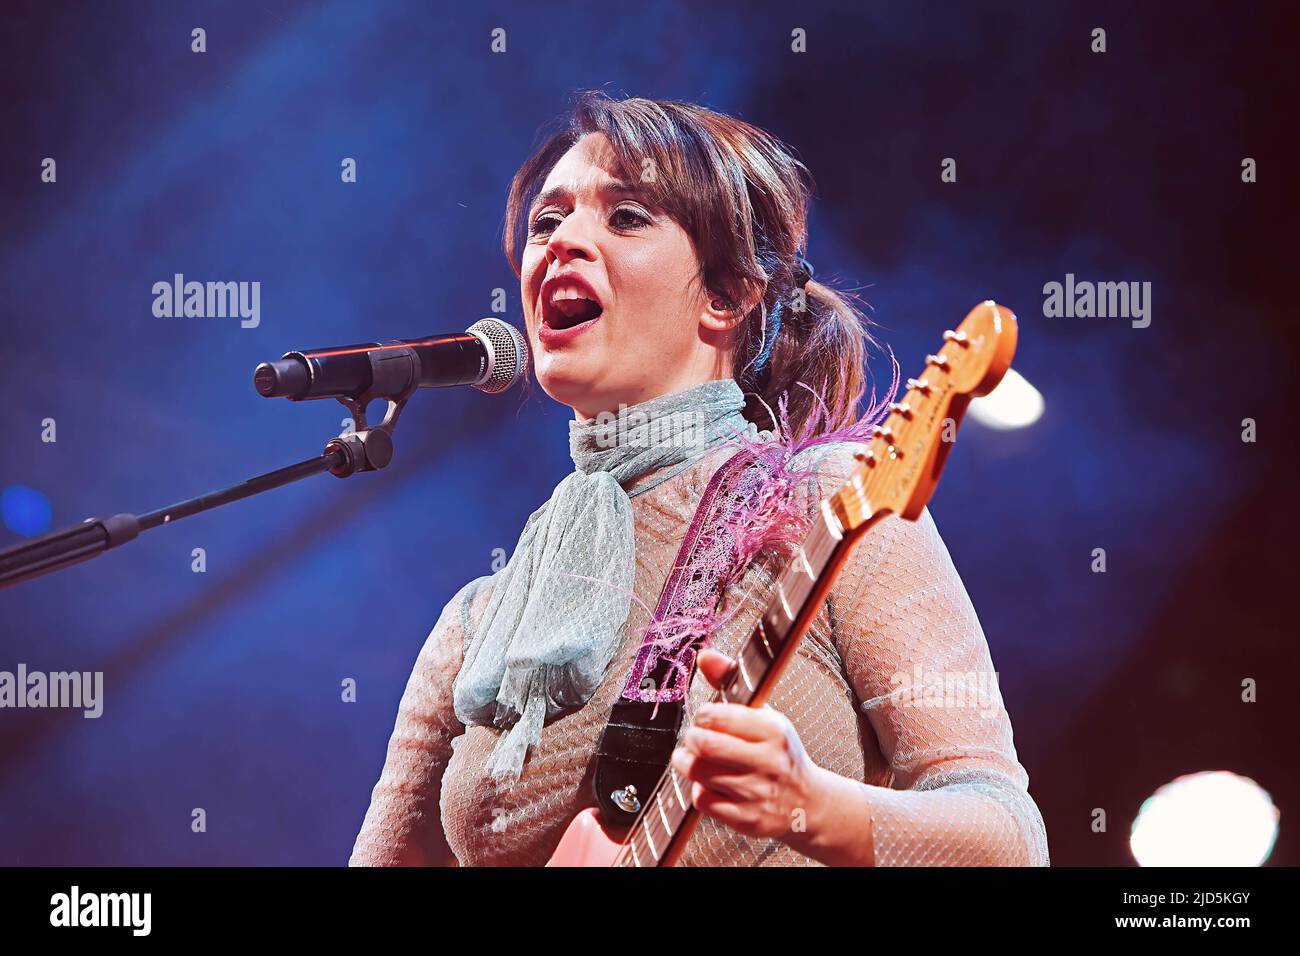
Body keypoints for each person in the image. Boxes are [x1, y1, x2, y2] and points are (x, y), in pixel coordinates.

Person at [349, 92, 1049, 867]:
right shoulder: (475, 623)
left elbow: (1008, 838)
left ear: (726, 296)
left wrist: (815, 810)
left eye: (626, 217)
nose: (562, 243)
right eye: (547, 222)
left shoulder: (830, 503)